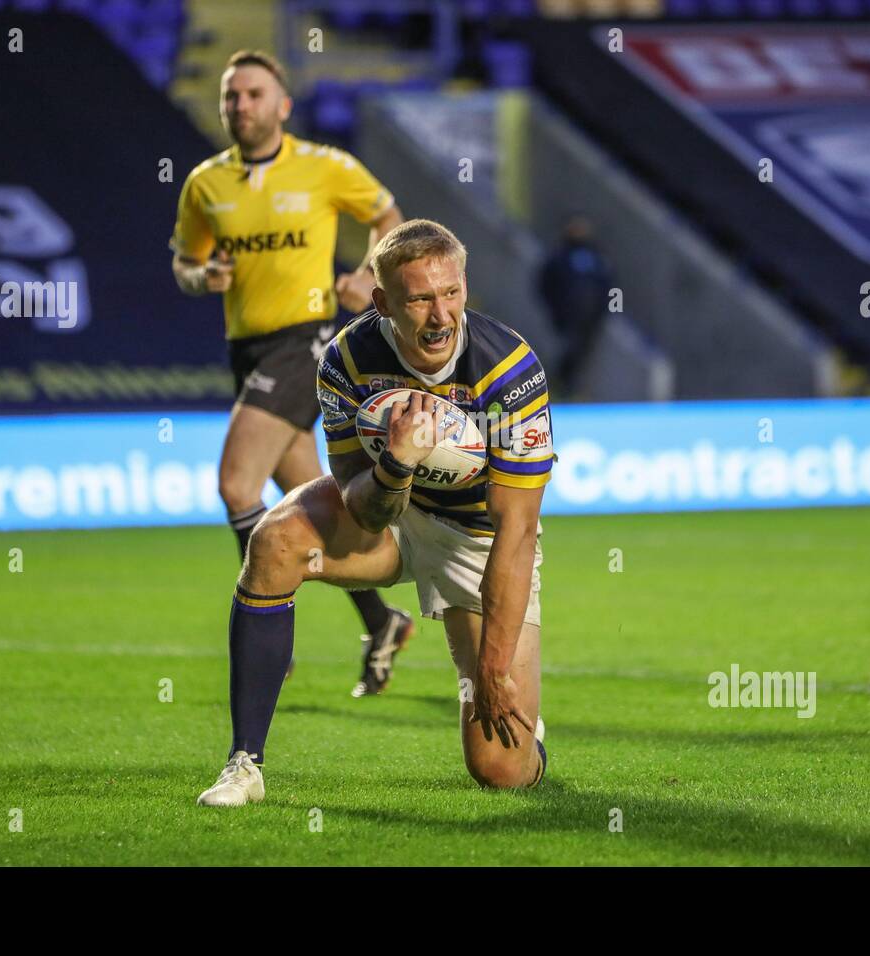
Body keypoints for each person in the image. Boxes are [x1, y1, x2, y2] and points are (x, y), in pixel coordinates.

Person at [196, 219, 554, 806]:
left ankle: (528, 740)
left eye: (451, 294)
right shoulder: (346, 360)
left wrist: (493, 670)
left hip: (477, 540)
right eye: (419, 299)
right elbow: (360, 510)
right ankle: (244, 766)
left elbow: (514, 531)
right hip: (388, 519)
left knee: (499, 769)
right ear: (383, 301)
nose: (441, 316)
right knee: (274, 543)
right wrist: (396, 462)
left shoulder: (509, 371)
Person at [170, 50, 412, 695]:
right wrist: (204, 277)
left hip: (306, 342)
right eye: (230, 96)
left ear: (282, 105)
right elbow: (185, 264)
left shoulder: (324, 166)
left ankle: (268, 615)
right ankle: (382, 619)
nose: (239, 105)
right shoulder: (205, 184)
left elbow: (388, 217)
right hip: (246, 350)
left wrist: (367, 277)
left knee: (235, 485)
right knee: (326, 509)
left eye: (253, 94)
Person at [537, 215, 613, 395]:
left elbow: (610, 285)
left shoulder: (597, 258)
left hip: (591, 319)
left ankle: (571, 390)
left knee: (581, 355)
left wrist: (608, 310)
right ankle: (557, 387)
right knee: (563, 352)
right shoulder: (559, 257)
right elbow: (544, 284)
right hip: (563, 317)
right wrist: (554, 309)